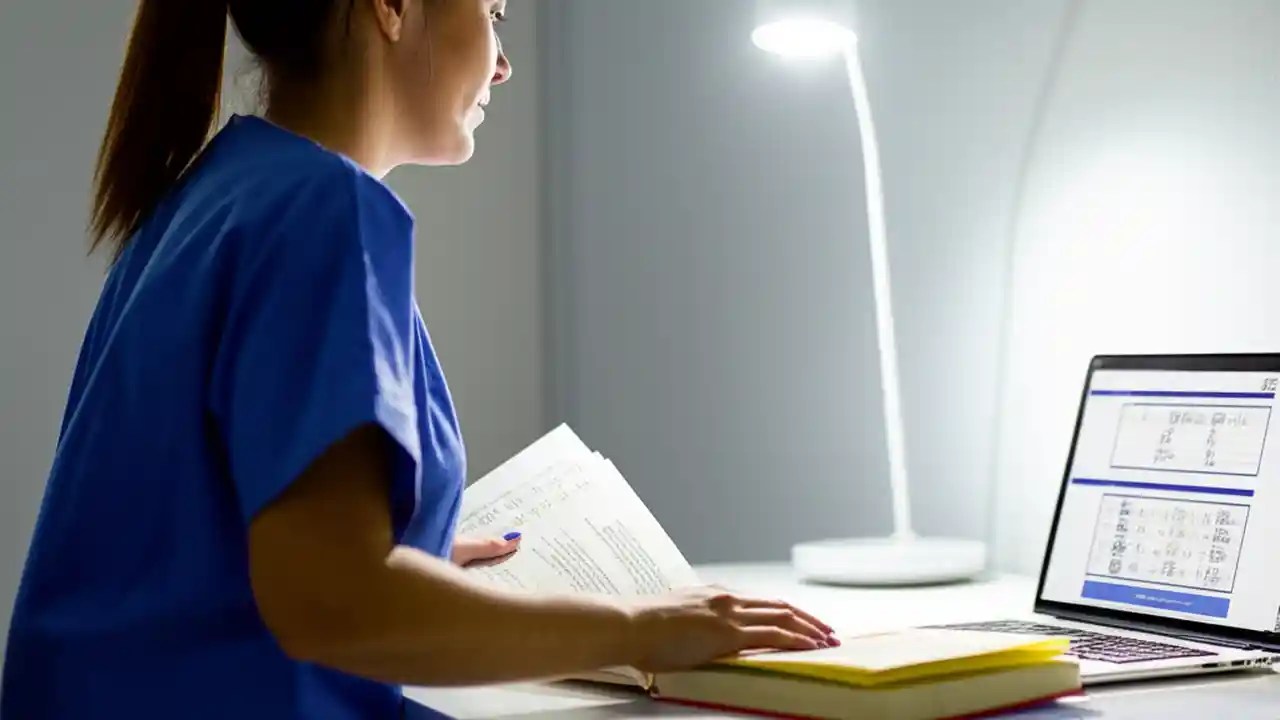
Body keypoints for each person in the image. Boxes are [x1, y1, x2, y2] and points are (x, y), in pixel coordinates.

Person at [0, 1, 837, 717]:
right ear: (392, 5)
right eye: (495, 12)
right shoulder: (319, 210)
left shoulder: (216, 197)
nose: (504, 66)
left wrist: (413, 549)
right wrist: (637, 629)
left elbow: (213, 549)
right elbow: (333, 603)